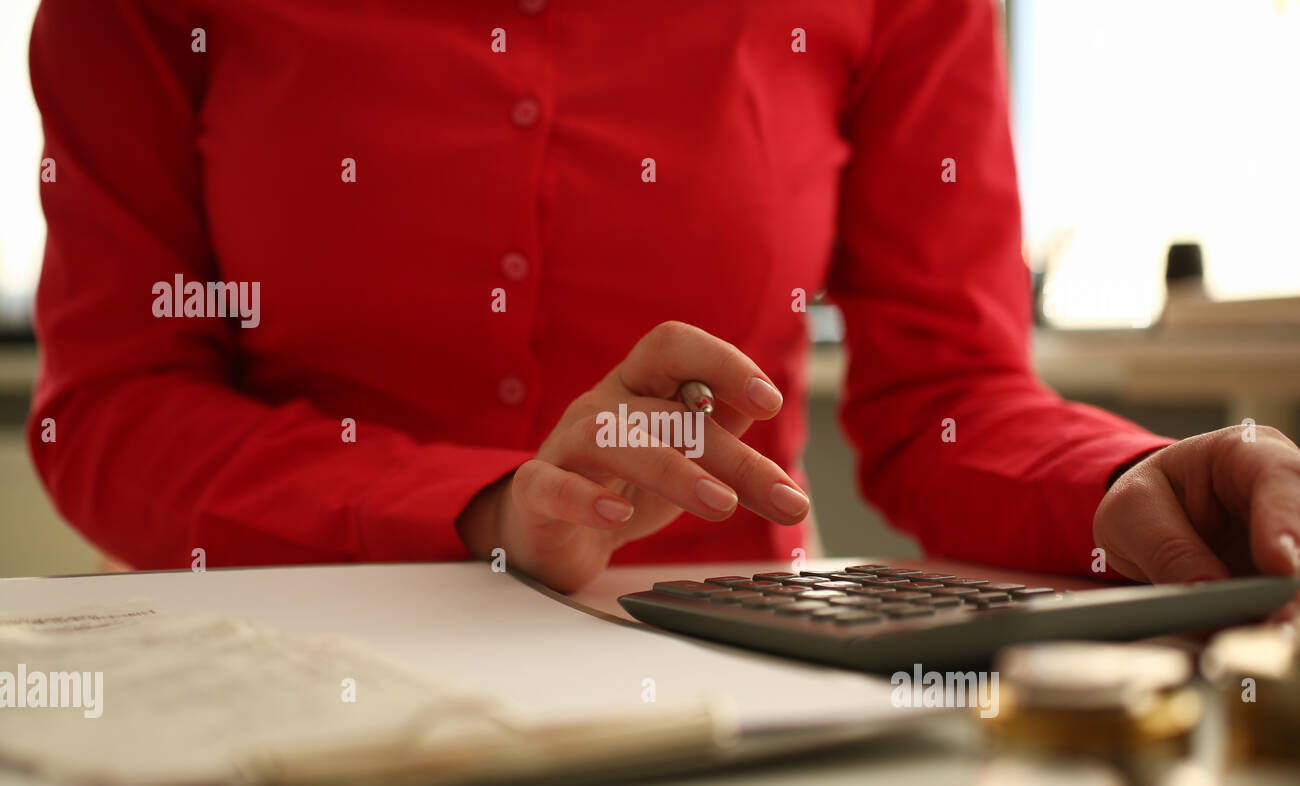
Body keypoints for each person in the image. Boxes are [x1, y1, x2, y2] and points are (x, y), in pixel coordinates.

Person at [27, 1, 1300, 596]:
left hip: (735, 683)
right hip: (273, 666)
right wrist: (484, 507)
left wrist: (1118, 483)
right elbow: (113, 406)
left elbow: (948, 396)